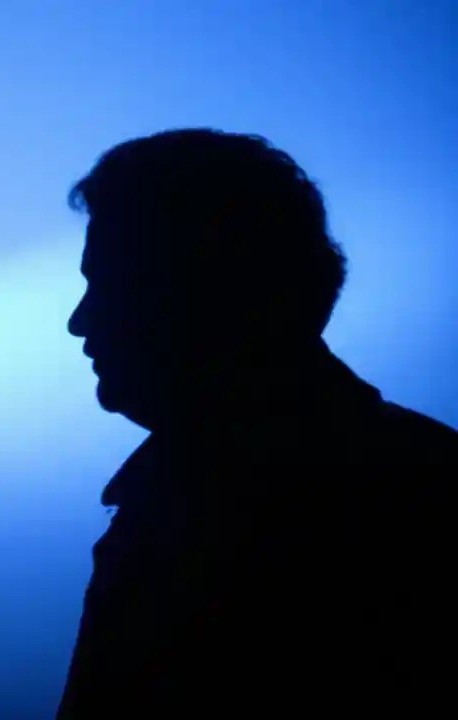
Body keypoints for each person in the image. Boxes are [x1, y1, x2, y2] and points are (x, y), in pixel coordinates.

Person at [57, 128, 457, 718]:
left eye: (112, 286)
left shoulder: (403, 507)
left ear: (204, 291)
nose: (79, 322)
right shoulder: (168, 505)